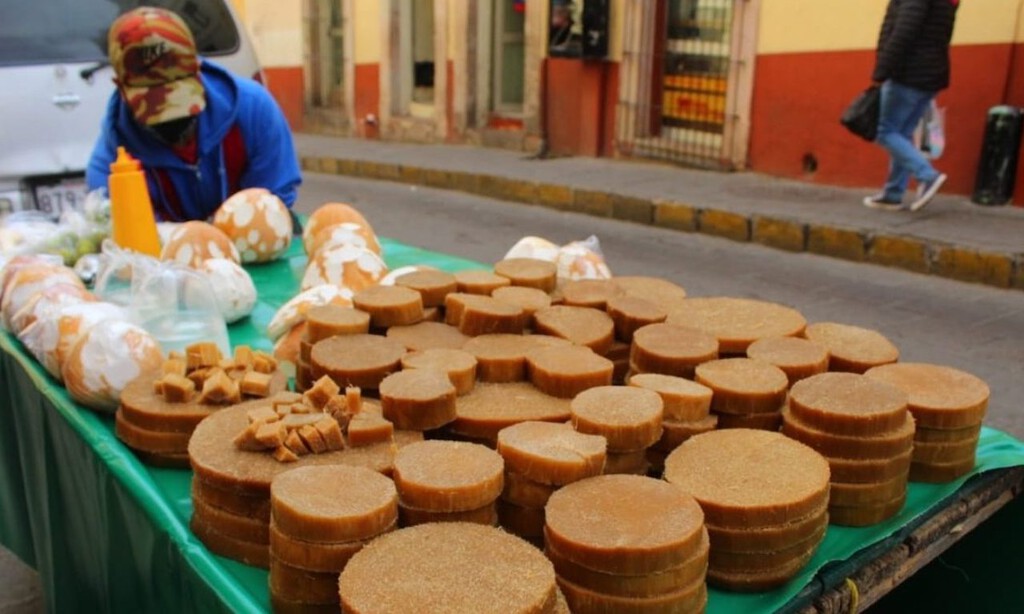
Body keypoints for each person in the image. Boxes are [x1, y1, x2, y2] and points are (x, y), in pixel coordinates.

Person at [86, 7, 302, 223]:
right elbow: (131, 233)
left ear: (198, 70)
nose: (172, 120)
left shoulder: (253, 111)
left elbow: (273, 204)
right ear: (121, 89)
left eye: (179, 103)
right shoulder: (113, 163)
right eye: (155, 110)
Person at [863, 0, 959, 212]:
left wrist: (882, 69)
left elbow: (903, 32)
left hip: (907, 73)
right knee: (902, 133)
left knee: (884, 131)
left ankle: (927, 176)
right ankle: (892, 194)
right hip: (931, 73)